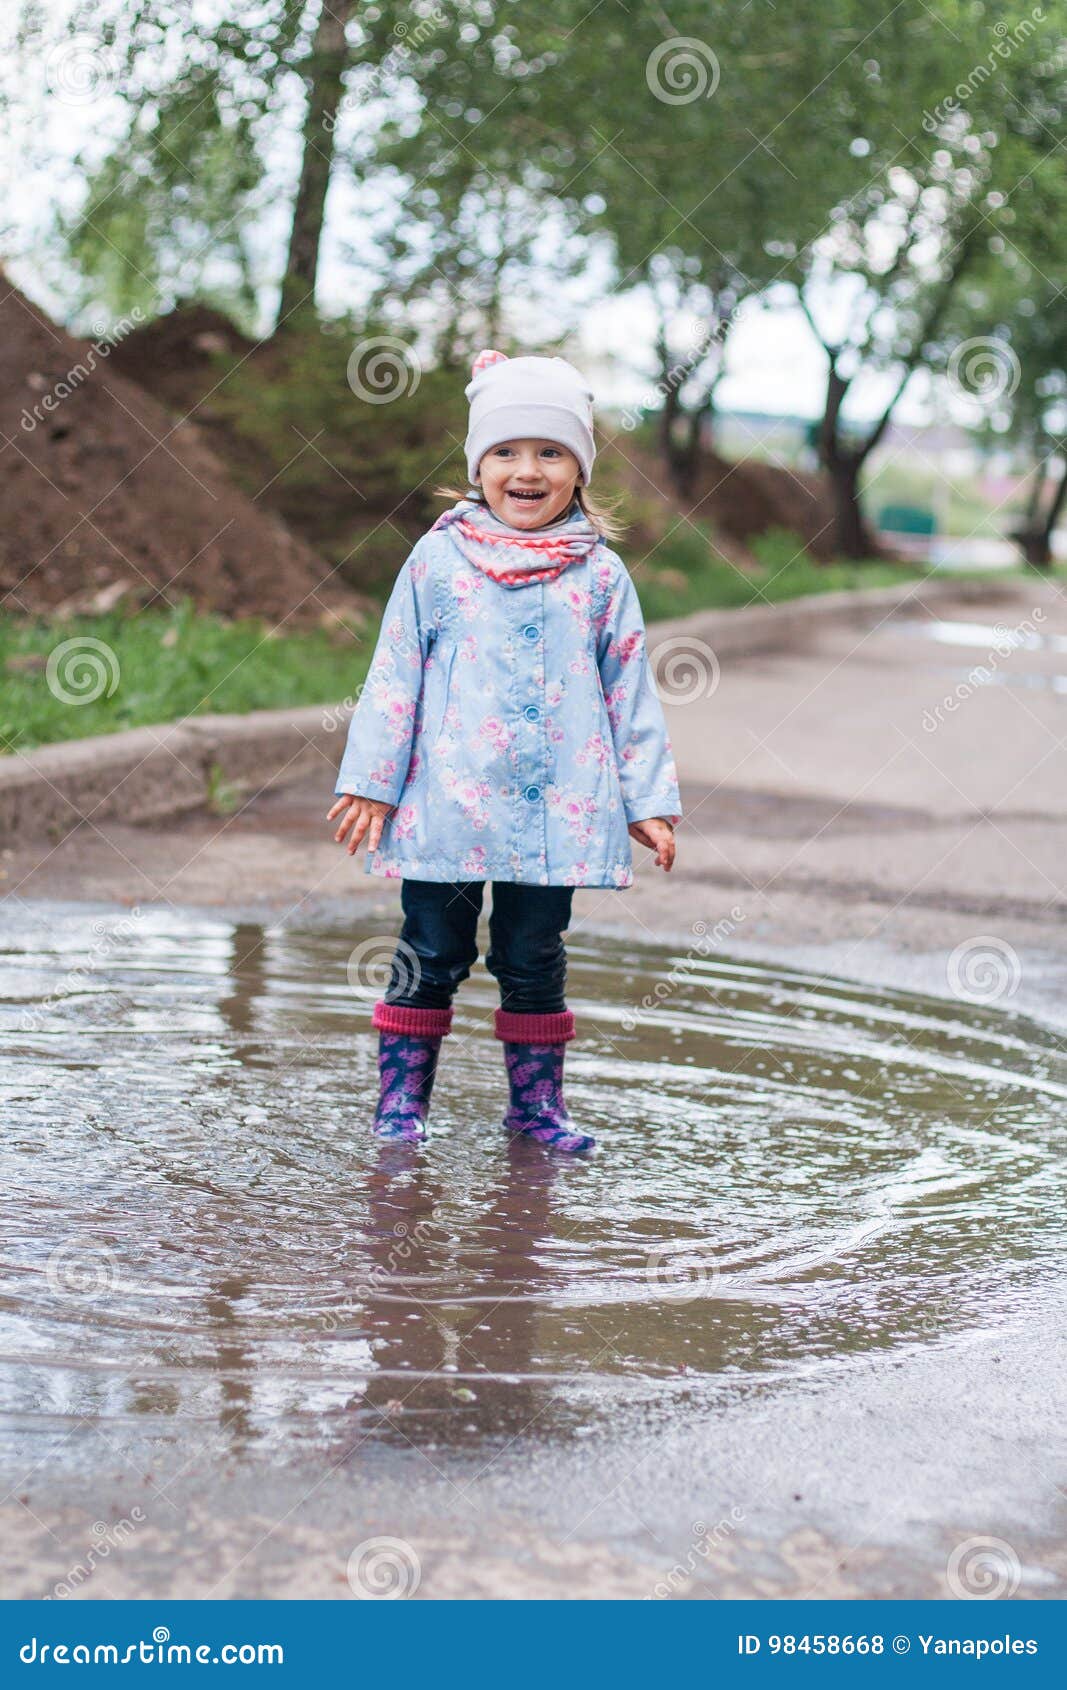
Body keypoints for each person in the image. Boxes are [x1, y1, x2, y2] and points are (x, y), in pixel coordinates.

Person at [327, 348, 682, 1153]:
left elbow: (630, 691)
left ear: (579, 471)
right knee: (429, 948)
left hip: (553, 810)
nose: (527, 470)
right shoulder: (437, 562)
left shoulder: (599, 575)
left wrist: (648, 801)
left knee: (533, 956)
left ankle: (535, 1109)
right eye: (507, 452)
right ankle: (400, 1104)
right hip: (444, 801)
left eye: (550, 452)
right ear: (478, 465)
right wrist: (373, 782)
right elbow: (394, 673)